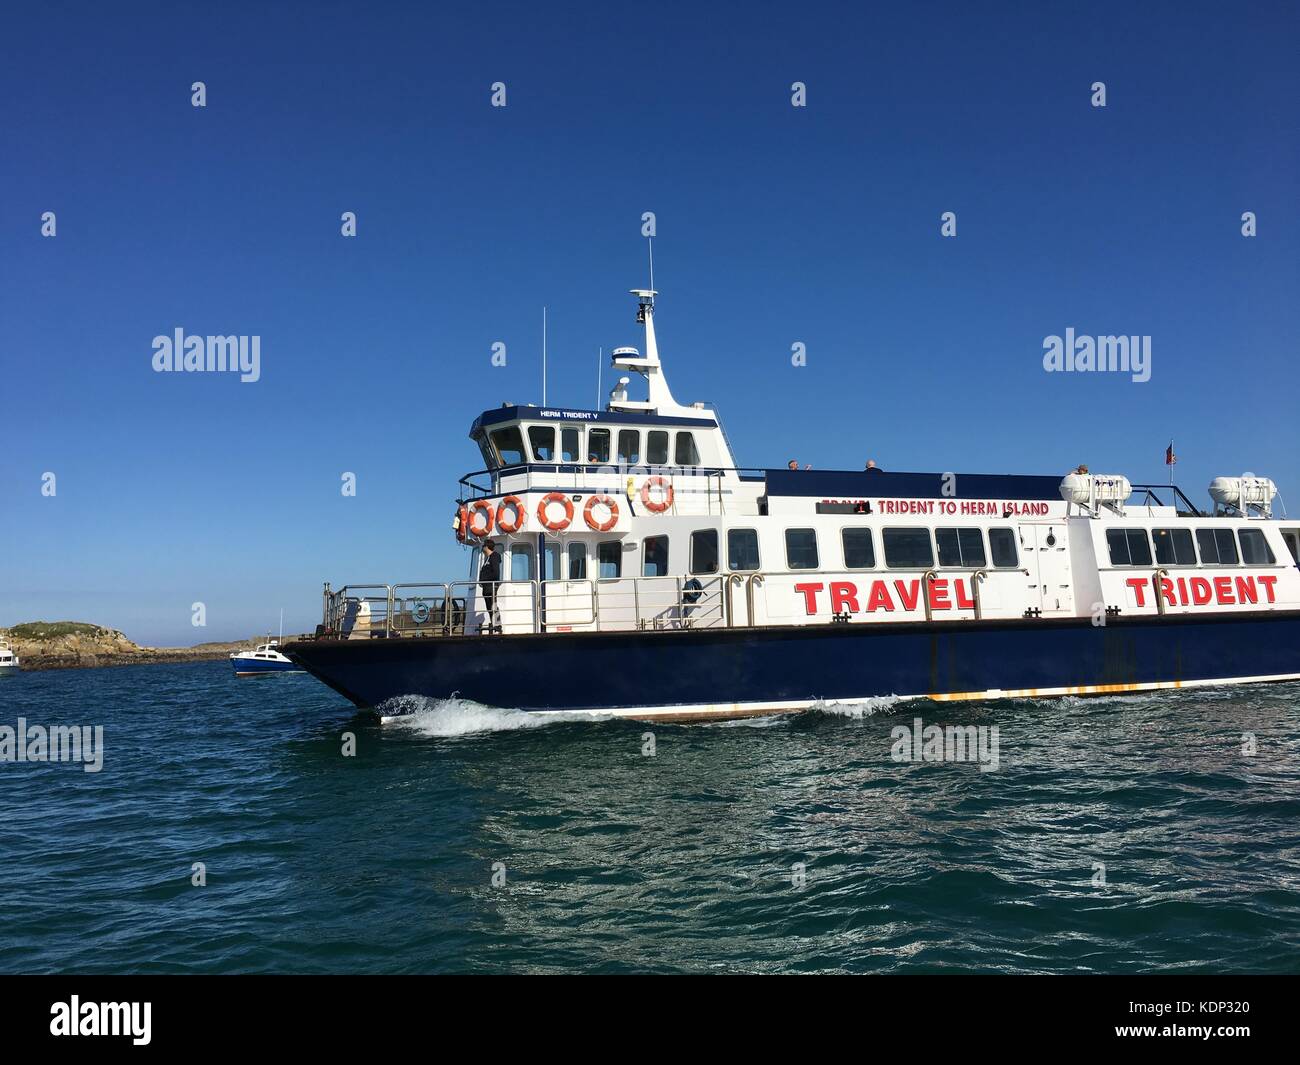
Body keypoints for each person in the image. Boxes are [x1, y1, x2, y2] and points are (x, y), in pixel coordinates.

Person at [478, 540, 502, 633]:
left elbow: (496, 573)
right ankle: (495, 625)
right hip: (486, 587)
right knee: (489, 607)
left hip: (491, 586)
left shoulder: (494, 557)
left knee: (493, 606)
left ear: (486, 547)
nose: (482, 547)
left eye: (483, 545)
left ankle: (498, 626)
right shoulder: (488, 558)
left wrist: (484, 579)